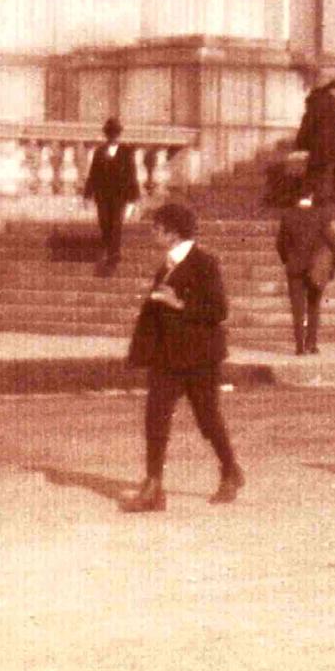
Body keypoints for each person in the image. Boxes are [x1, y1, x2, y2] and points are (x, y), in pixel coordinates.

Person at [122, 200, 241, 512]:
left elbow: (218, 310)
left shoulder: (204, 263)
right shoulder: (168, 264)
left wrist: (180, 305)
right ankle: (153, 487)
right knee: (155, 418)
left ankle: (230, 469)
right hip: (167, 357)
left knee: (207, 419)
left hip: (199, 357)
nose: (152, 234)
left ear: (172, 232)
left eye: (156, 229)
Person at [273, 193, 335, 355]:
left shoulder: (287, 215)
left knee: (297, 308)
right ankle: (311, 344)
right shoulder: (320, 215)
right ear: (311, 197)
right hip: (315, 268)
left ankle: (299, 346)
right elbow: (330, 240)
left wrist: (288, 259)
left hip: (295, 267)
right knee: (313, 307)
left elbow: (280, 243)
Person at [81, 118, 142, 277]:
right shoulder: (100, 152)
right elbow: (93, 174)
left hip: (120, 195)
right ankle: (109, 247)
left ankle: (113, 255)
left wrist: (134, 198)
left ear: (119, 134)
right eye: (110, 133)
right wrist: (87, 195)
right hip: (103, 195)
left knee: (116, 224)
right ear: (106, 135)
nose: (113, 136)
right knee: (104, 222)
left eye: (115, 133)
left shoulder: (126, 151)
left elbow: (132, 174)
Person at [296, 79, 335, 208]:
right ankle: (333, 200)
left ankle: (309, 199)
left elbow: (306, 126)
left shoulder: (314, 104)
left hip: (317, 147)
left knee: (315, 173)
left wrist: (301, 145)